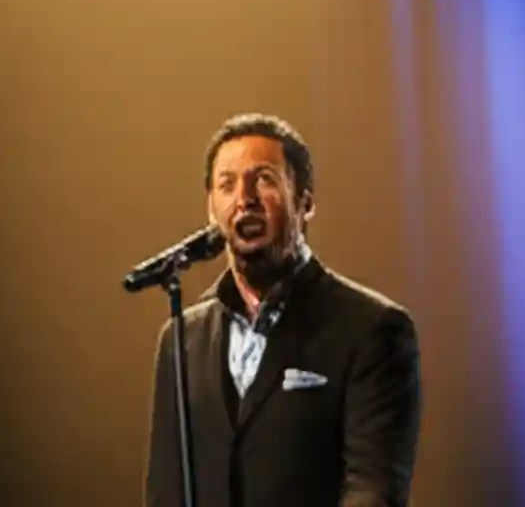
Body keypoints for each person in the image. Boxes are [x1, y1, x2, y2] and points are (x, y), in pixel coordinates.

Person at [144, 113, 421, 507]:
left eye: (264, 179)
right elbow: (164, 493)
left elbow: (372, 491)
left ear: (304, 202)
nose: (245, 198)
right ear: (211, 208)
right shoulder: (181, 339)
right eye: (227, 184)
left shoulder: (372, 329)